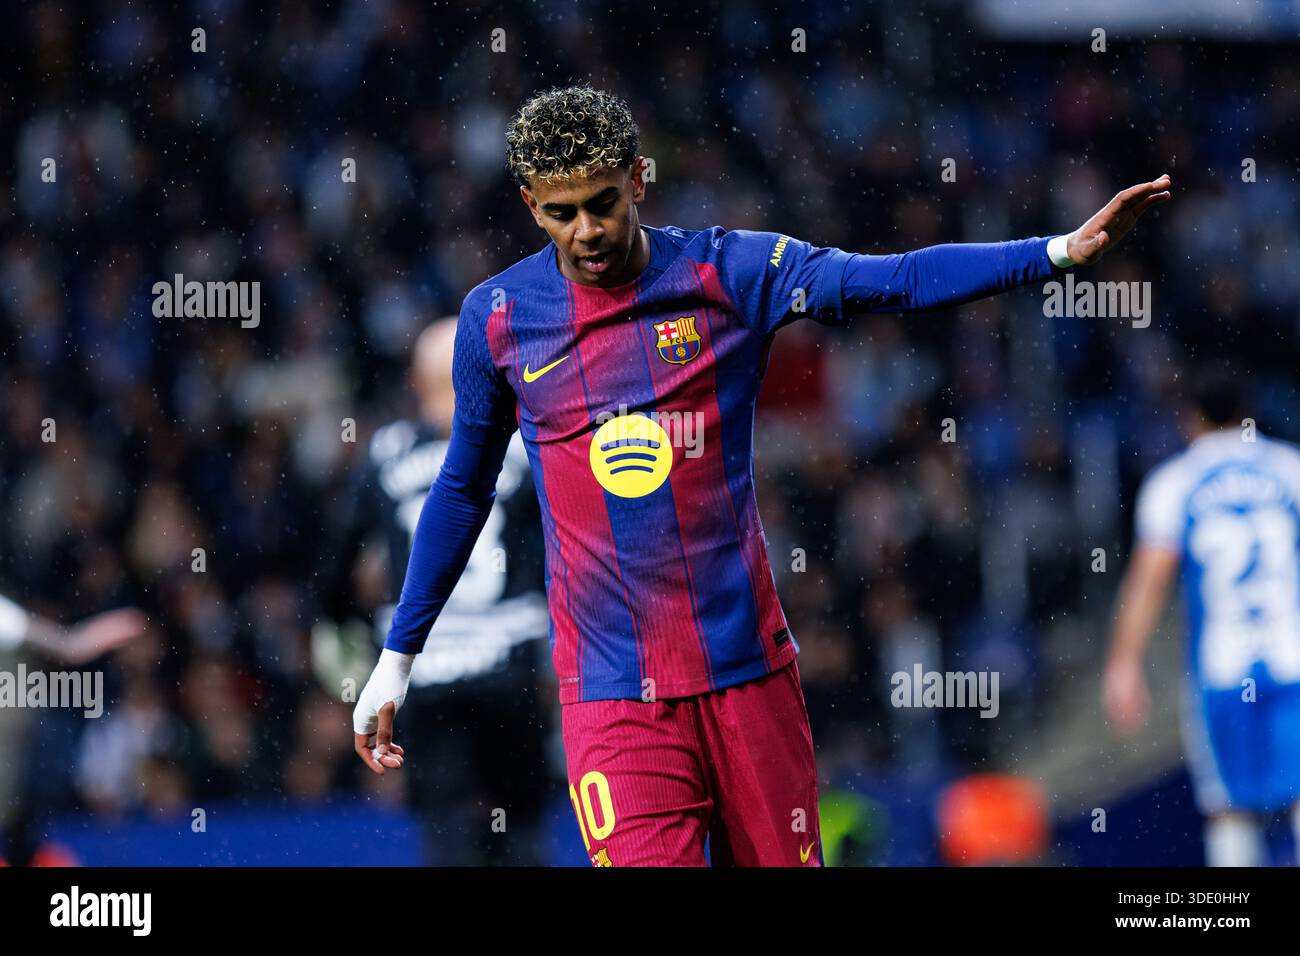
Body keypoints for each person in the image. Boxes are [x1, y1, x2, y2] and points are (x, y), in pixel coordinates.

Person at [354, 84, 1171, 866]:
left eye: (603, 203)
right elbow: (462, 489)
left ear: (639, 180)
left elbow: (889, 280)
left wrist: (1057, 253)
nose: (588, 231)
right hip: (611, 695)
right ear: (531, 205)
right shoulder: (498, 318)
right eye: (561, 213)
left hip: (747, 674)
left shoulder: (730, 272)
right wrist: (397, 658)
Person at [319, 319, 549, 864]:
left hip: (422, 672)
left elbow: (334, 566)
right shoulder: (524, 445)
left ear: (417, 383)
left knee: (447, 834)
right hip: (511, 673)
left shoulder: (385, 454)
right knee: (522, 833)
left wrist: (353, 626)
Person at [1103, 366, 1300, 866]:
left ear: (1188, 417)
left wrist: (1124, 662)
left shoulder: (1175, 483)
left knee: (1229, 811)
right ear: (1248, 410)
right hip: (1293, 658)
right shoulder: (1290, 468)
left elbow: (1150, 580)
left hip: (1222, 669)